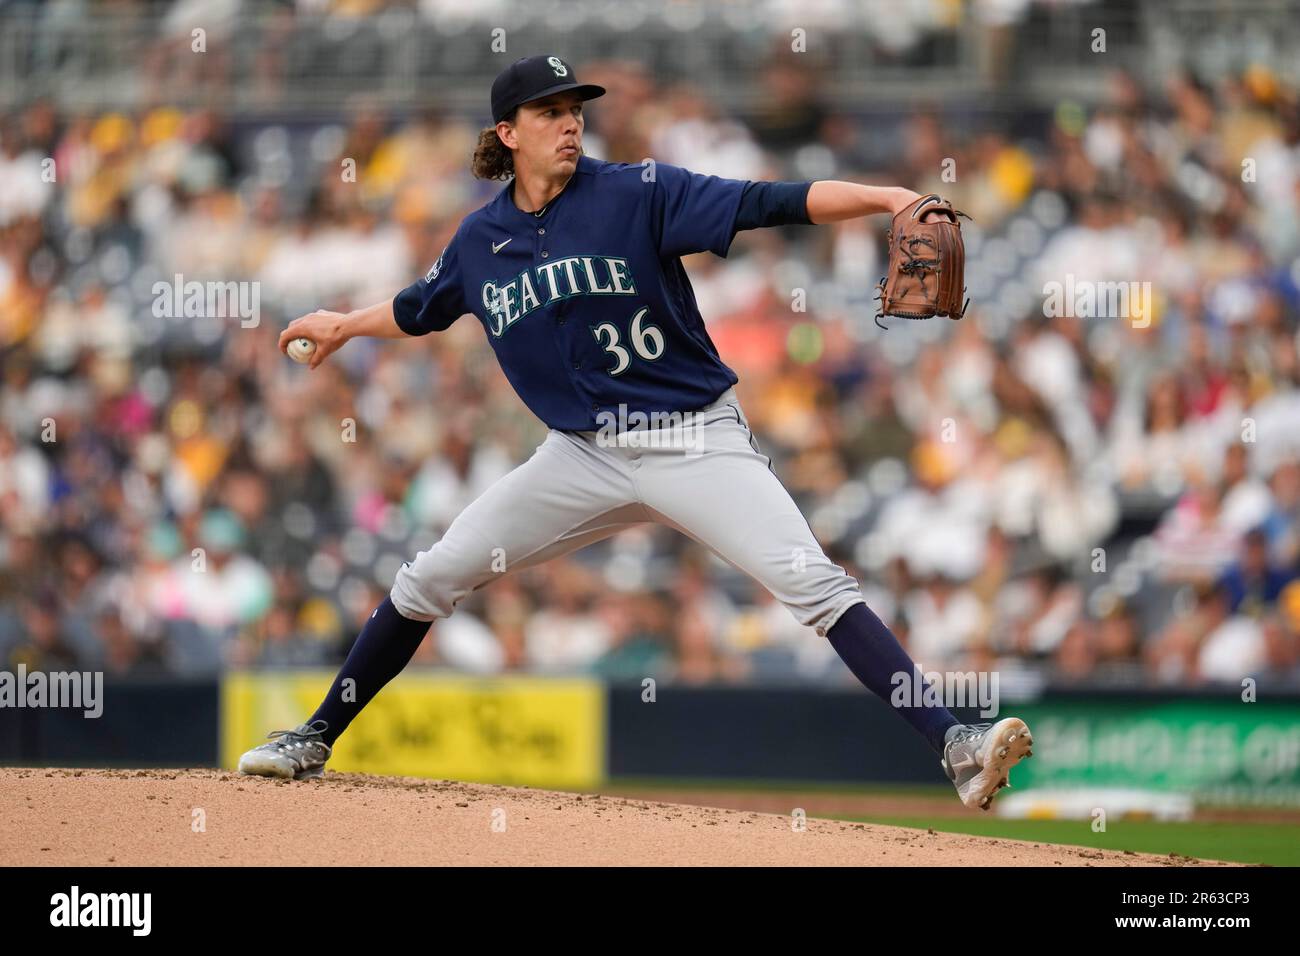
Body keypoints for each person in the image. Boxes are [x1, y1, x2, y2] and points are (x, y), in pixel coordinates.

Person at [237, 55, 1033, 810]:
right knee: (428, 578)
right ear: (507, 132)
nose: (569, 123)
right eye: (548, 112)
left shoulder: (639, 192)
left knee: (815, 586)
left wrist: (887, 196)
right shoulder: (480, 243)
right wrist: (346, 324)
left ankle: (954, 743)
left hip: (694, 438)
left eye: (574, 109)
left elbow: (769, 200)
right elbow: (422, 306)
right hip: (580, 456)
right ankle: (315, 735)